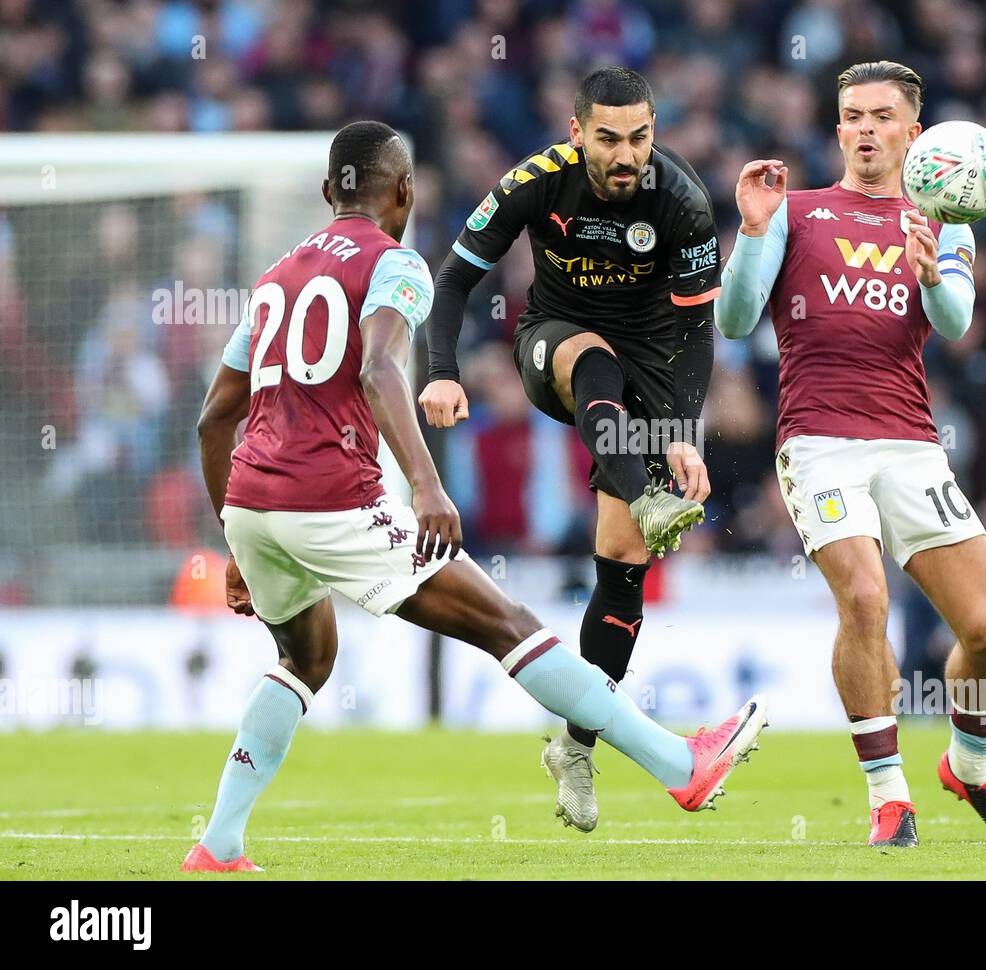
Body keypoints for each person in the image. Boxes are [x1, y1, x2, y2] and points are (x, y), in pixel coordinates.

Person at [185, 120, 766, 872]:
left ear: (329, 192)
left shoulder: (274, 279)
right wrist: (428, 485)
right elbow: (379, 370)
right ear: (405, 191)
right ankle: (680, 767)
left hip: (252, 505)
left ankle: (219, 844)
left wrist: (235, 538)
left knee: (304, 659)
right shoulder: (395, 264)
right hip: (330, 501)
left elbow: (213, 418)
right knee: (509, 625)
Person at [717, 61, 986, 846]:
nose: (865, 129)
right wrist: (752, 232)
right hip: (819, 442)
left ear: (913, 134)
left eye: (882, 116)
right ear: (838, 130)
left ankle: (969, 768)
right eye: (853, 116)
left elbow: (955, 322)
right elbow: (734, 321)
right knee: (864, 599)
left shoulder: (944, 220)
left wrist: (931, 277)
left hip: (911, 446)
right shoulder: (796, 212)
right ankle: (889, 796)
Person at [420, 68, 721, 832]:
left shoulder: (682, 202)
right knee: (592, 358)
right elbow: (452, 280)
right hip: (552, 347)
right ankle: (648, 497)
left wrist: (682, 434)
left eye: (640, 137)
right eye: (609, 139)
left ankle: (577, 748)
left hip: (648, 367)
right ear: (577, 131)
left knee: (623, 566)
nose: (626, 155)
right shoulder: (535, 182)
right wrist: (443, 373)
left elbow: (695, 332)